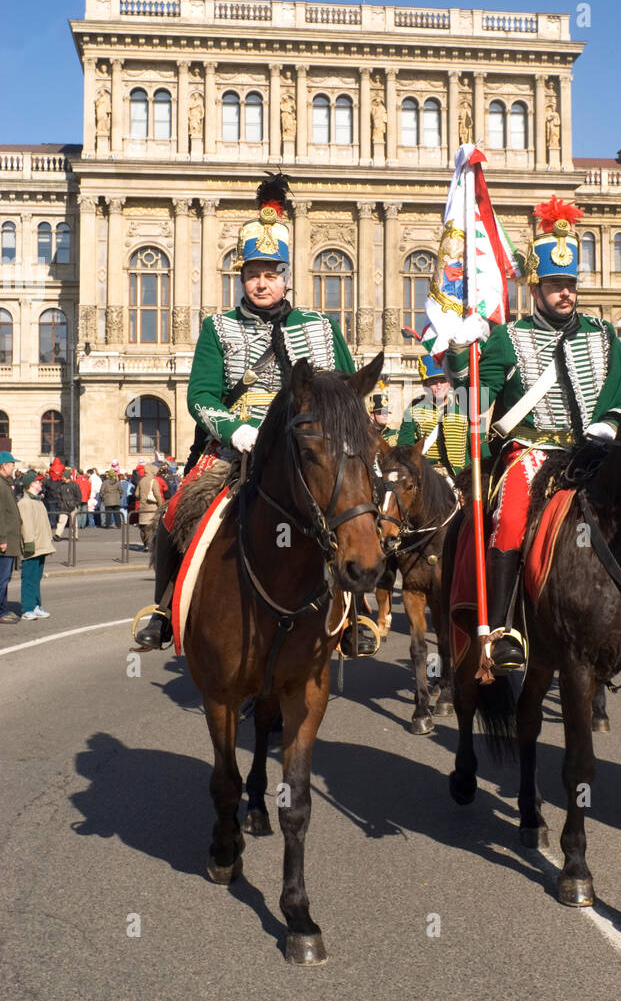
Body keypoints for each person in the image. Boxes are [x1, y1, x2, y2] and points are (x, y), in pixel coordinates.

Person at [133, 172, 357, 649]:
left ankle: (353, 615)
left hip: (306, 447)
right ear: (241, 277)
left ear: (285, 277)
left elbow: (346, 394)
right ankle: (164, 608)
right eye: (253, 274)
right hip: (240, 445)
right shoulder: (219, 328)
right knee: (177, 510)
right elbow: (200, 397)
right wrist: (235, 431)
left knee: (353, 512)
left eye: (270, 273)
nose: (261, 283)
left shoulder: (321, 327)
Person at [445, 196, 621, 672]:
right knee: (509, 519)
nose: (565, 294)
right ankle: (506, 627)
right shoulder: (509, 337)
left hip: (596, 452)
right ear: (535, 288)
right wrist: (457, 352)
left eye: (570, 285)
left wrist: (607, 426)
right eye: (554, 285)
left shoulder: (604, 334)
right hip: (531, 449)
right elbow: (476, 387)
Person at [397, 353, 469, 476]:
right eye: (434, 382)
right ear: (425, 385)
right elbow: (405, 450)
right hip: (427, 477)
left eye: (443, 381)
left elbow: (471, 451)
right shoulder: (412, 413)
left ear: (450, 383)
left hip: (459, 478)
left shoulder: (464, 413)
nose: (439, 386)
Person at [17, 471, 54, 619]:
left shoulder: (37, 501)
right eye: (38, 481)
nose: (40, 483)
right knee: (28, 578)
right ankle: (27, 608)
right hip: (32, 546)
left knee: (36, 578)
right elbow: (27, 525)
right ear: (30, 484)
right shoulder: (25, 503)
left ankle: (36, 605)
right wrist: (29, 543)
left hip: (41, 544)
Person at [0, 450, 22, 623]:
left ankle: (3, 608)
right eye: (11, 463)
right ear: (3, 466)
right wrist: (2, 539)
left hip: (7, 538)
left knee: (4, 578)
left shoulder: (5, 483)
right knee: (3, 578)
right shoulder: (1, 485)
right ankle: (1, 611)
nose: (14, 466)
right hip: (4, 540)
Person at [135, 462, 166, 553]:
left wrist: (142, 497)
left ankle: (145, 545)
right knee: (151, 527)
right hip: (152, 507)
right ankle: (150, 545)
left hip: (142, 507)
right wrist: (160, 506)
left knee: (143, 527)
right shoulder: (153, 481)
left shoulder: (142, 480)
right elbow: (157, 495)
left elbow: (136, 494)